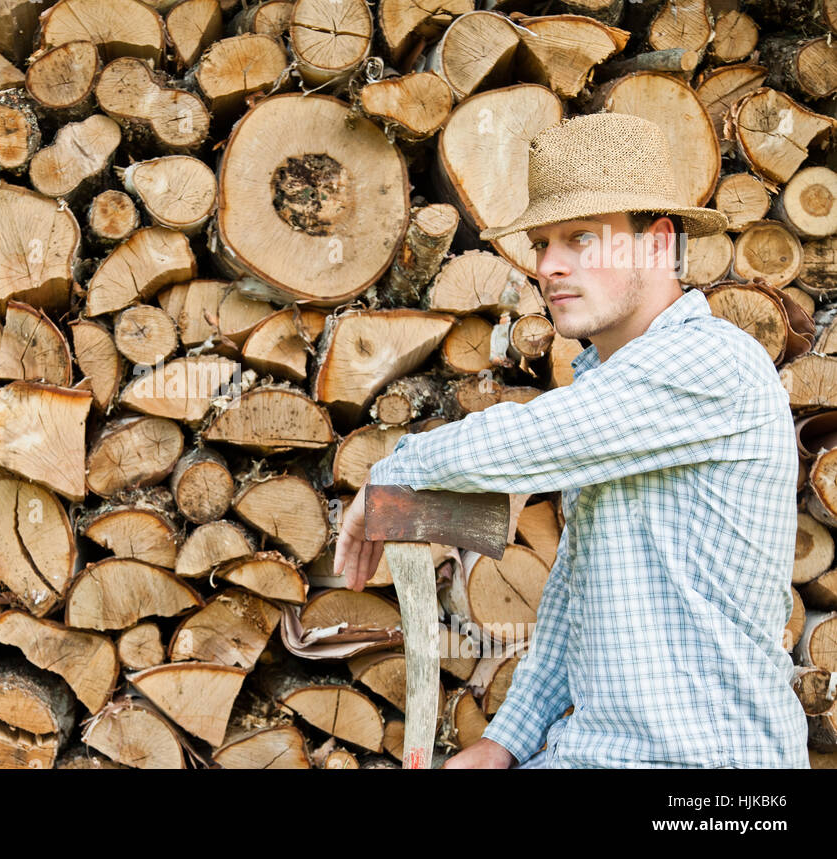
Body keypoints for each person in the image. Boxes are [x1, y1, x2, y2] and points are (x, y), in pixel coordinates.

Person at [332, 112, 809, 768]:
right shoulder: (608, 391)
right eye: (541, 243)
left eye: (582, 238)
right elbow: (576, 601)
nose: (550, 266)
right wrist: (504, 741)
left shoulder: (712, 364)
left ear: (657, 242)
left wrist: (394, 470)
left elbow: (525, 439)